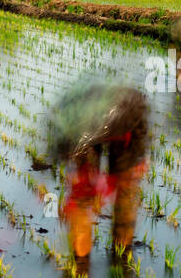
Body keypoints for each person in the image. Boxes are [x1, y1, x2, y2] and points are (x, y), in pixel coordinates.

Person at [48, 82, 149, 259]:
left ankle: (122, 250)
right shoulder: (70, 123)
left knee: (126, 189)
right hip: (91, 126)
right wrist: (80, 191)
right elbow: (78, 168)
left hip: (127, 126)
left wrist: (128, 171)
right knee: (82, 194)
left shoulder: (129, 113)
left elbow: (127, 167)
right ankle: (80, 258)